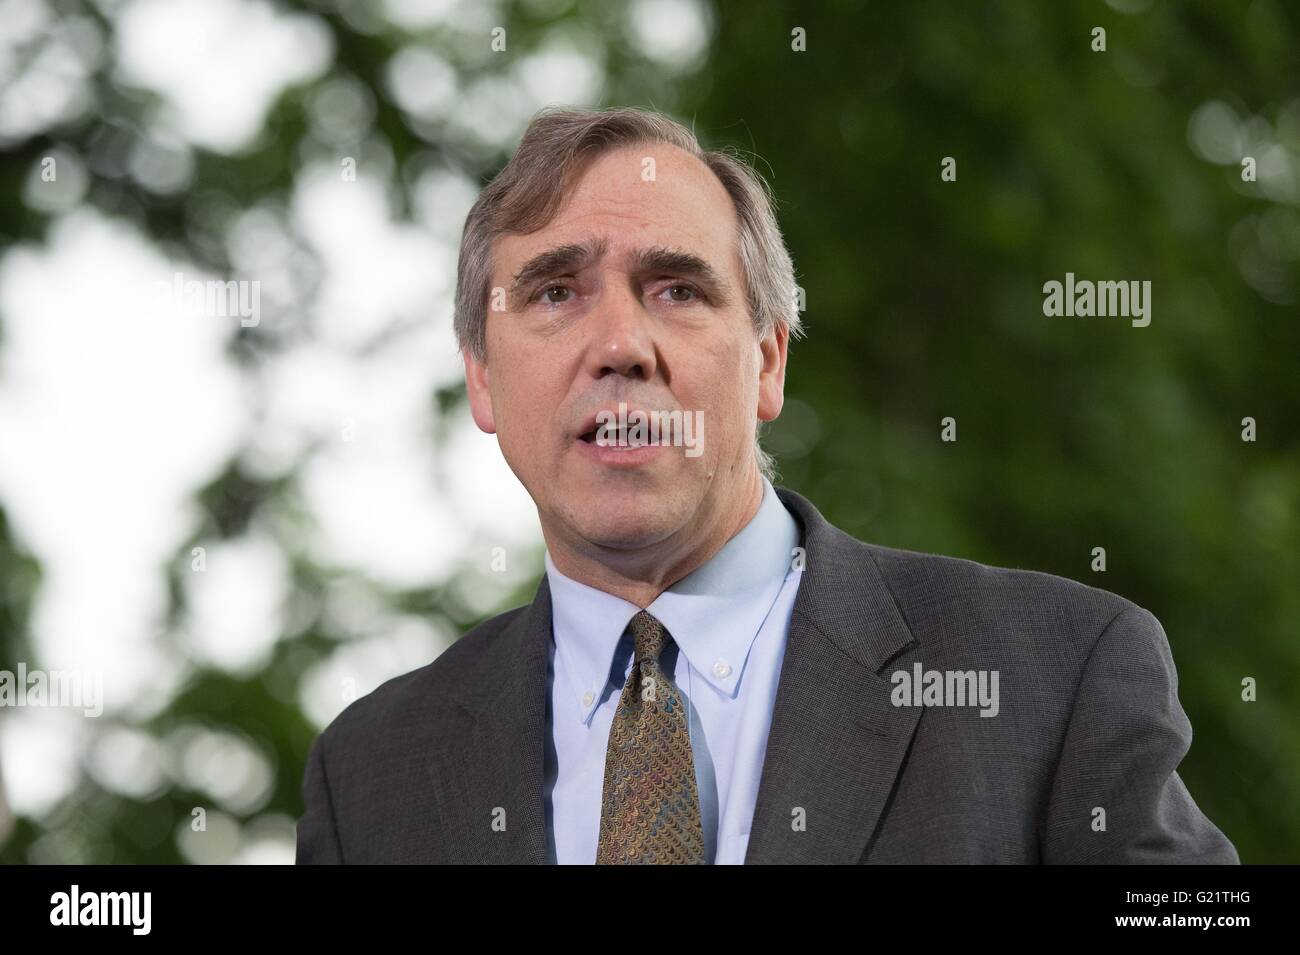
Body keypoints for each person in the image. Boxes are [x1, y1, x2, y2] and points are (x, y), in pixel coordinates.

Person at [296, 106, 1237, 864]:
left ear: (769, 364)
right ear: (484, 378)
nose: (622, 345)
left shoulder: (1059, 674)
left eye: (678, 289)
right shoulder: (371, 773)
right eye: (554, 292)